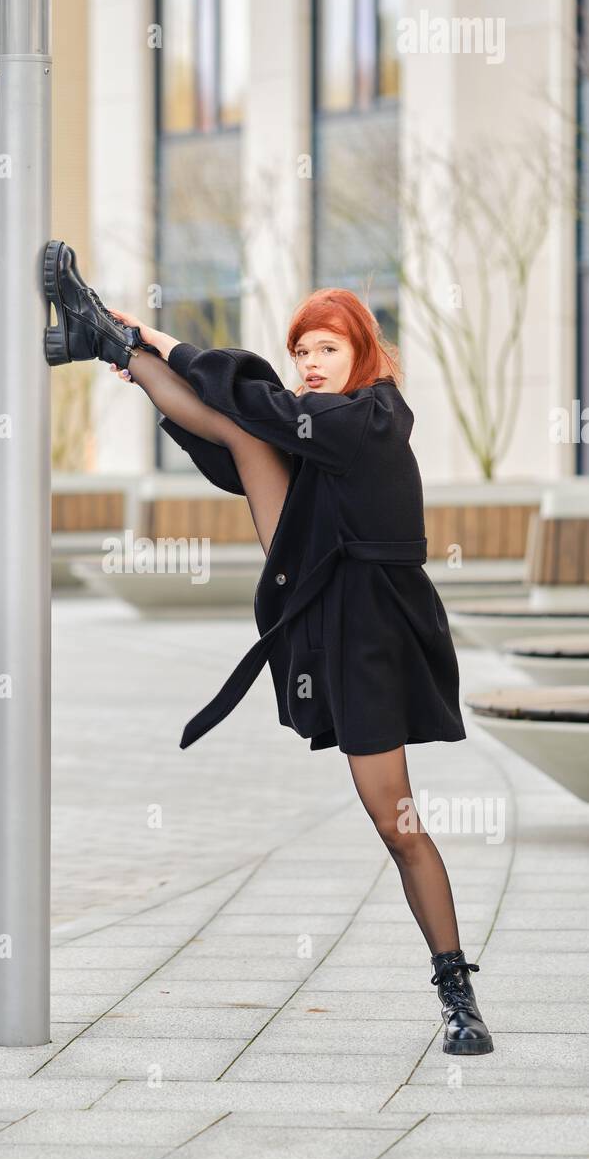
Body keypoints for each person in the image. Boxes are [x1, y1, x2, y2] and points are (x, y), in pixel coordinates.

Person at [42, 238, 493, 1056]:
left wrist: (164, 346)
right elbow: (237, 440)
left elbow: (263, 407)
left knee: (396, 823)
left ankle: (456, 989)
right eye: (302, 351)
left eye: (327, 348)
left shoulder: (374, 415)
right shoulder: (317, 430)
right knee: (245, 435)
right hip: (326, 599)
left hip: (379, 632)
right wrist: (146, 363)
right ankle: (101, 336)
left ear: (361, 353)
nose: (311, 362)